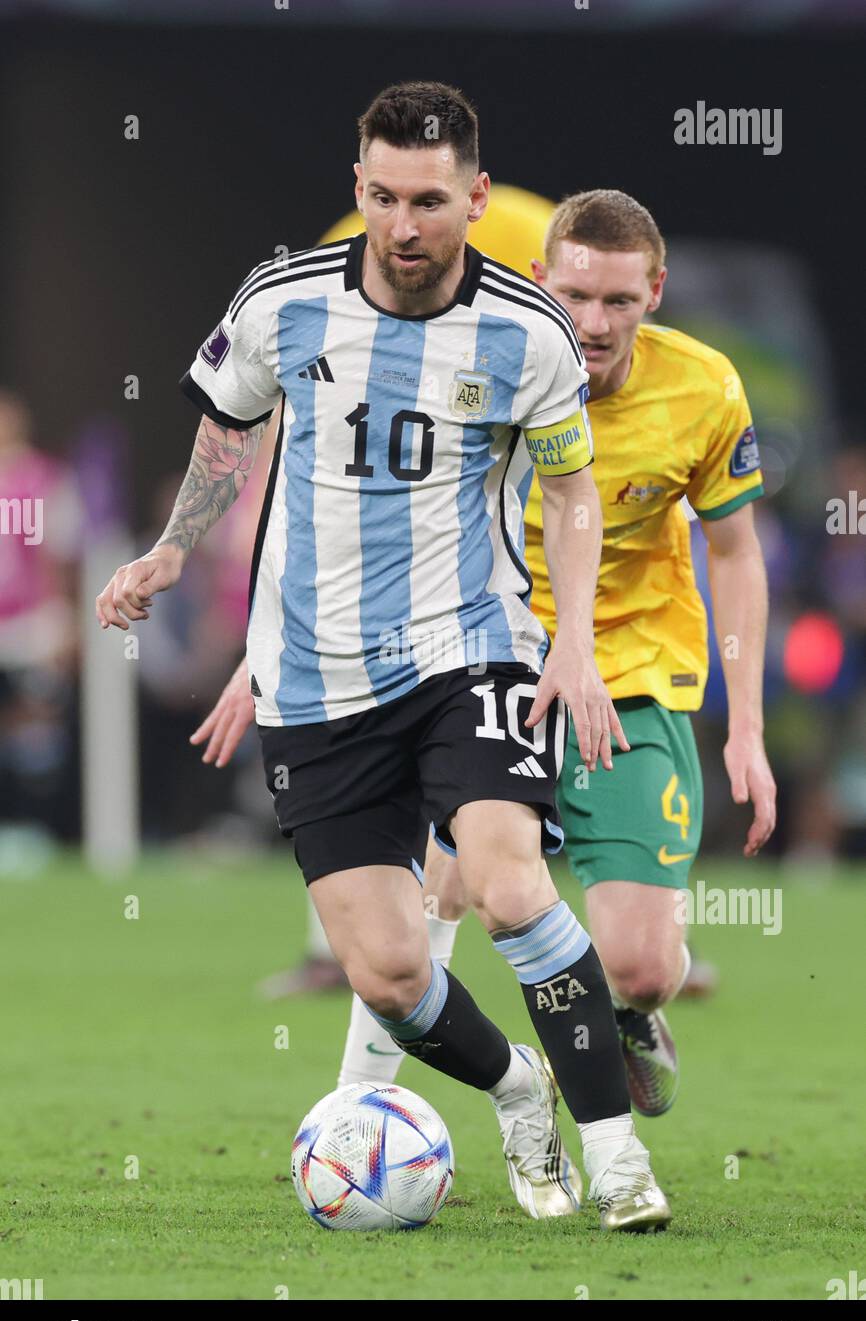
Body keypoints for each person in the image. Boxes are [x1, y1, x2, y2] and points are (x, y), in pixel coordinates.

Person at [95, 82, 669, 1231]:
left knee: (507, 884)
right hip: (314, 676)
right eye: (382, 198)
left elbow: (566, 493)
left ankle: (615, 1163)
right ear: (357, 190)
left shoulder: (528, 331)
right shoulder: (281, 302)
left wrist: (567, 647)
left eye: (430, 200)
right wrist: (169, 552)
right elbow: (226, 430)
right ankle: (516, 1093)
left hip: (472, 646)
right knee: (391, 974)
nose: (404, 227)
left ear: (475, 196)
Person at [198, 188, 778, 1124]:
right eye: (578, 296)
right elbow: (354, 517)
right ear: (543, 279)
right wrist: (262, 655)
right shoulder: (476, 361)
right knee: (436, 893)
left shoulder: (704, 389)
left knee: (643, 963)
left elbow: (739, 551)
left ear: (656, 294)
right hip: (477, 659)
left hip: (627, 680)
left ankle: (628, 1018)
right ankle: (358, 1115)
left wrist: (744, 727)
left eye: (620, 302)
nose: (594, 322)